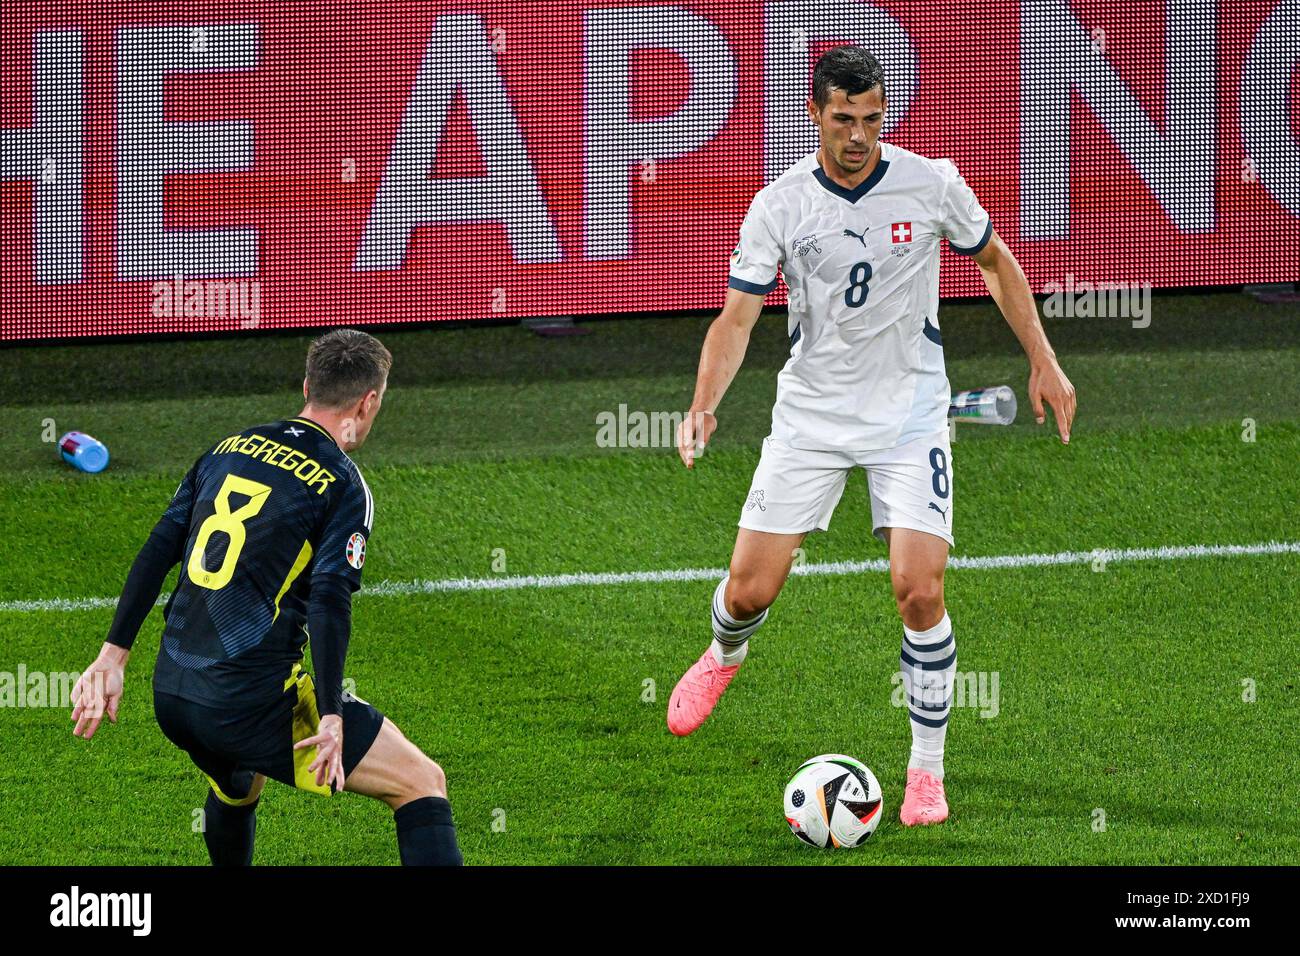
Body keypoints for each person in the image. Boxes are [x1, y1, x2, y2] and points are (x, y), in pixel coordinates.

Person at [668, 46, 1076, 826]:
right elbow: (738, 316)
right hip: (811, 419)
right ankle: (723, 655)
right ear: (816, 113)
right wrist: (703, 402)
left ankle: (927, 774)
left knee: (919, 590)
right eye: (844, 119)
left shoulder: (931, 183)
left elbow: (995, 262)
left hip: (912, 414)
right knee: (750, 590)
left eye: (873, 119)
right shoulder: (780, 204)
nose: (859, 135)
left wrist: (1043, 360)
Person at [72, 328, 462, 865]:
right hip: (249, 703)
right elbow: (329, 600)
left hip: (174, 695)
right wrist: (330, 714)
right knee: (421, 781)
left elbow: (158, 548)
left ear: (307, 384)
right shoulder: (343, 484)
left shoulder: (226, 448)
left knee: (239, 783)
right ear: (369, 402)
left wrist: (112, 656)